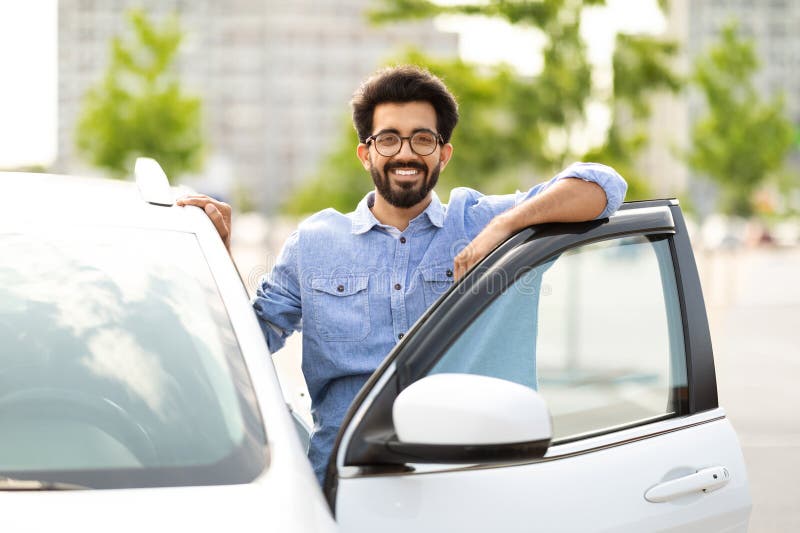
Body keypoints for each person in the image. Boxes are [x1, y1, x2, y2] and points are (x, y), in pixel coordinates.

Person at [177, 65, 627, 485]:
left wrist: (506, 227)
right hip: (343, 481)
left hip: (465, 480)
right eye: (388, 139)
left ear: (444, 154)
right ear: (365, 153)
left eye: (422, 139)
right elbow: (244, 342)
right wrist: (216, 260)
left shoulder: (479, 222)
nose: (405, 153)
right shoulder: (312, 242)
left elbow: (603, 186)